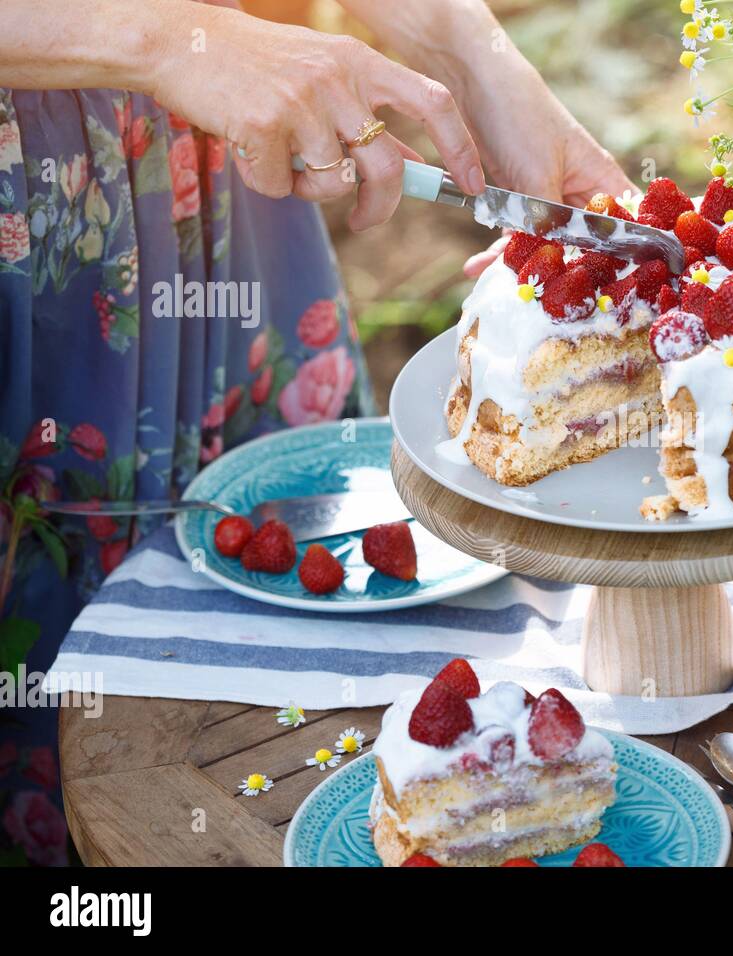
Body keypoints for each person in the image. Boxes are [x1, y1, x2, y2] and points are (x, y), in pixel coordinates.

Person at [0, 0, 631, 865]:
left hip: (212, 149)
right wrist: (166, 38)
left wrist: (480, 62)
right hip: (40, 198)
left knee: (273, 640)